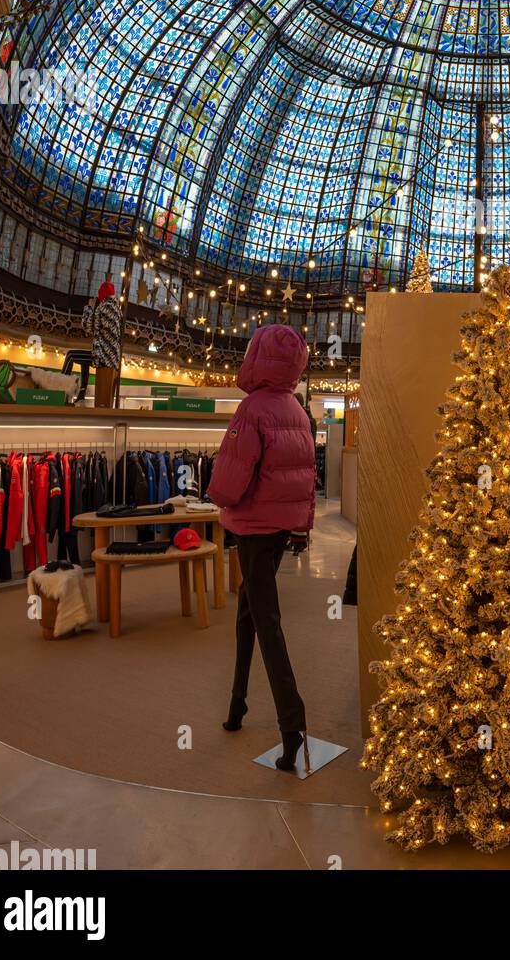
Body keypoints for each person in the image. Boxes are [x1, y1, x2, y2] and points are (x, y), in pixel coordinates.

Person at [208, 324, 316, 771]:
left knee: (266, 622)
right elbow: (308, 478)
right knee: (249, 614)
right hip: (279, 530)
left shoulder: (252, 409)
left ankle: (292, 726)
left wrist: (215, 497)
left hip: (252, 529)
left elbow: (229, 482)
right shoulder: (297, 410)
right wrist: (301, 527)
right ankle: (237, 705)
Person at [81, 280, 123, 408]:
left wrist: (89, 307)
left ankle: (77, 394)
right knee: (108, 399)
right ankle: (80, 396)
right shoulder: (118, 310)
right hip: (114, 359)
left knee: (72, 356)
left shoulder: (103, 308)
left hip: (103, 357)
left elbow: (87, 326)